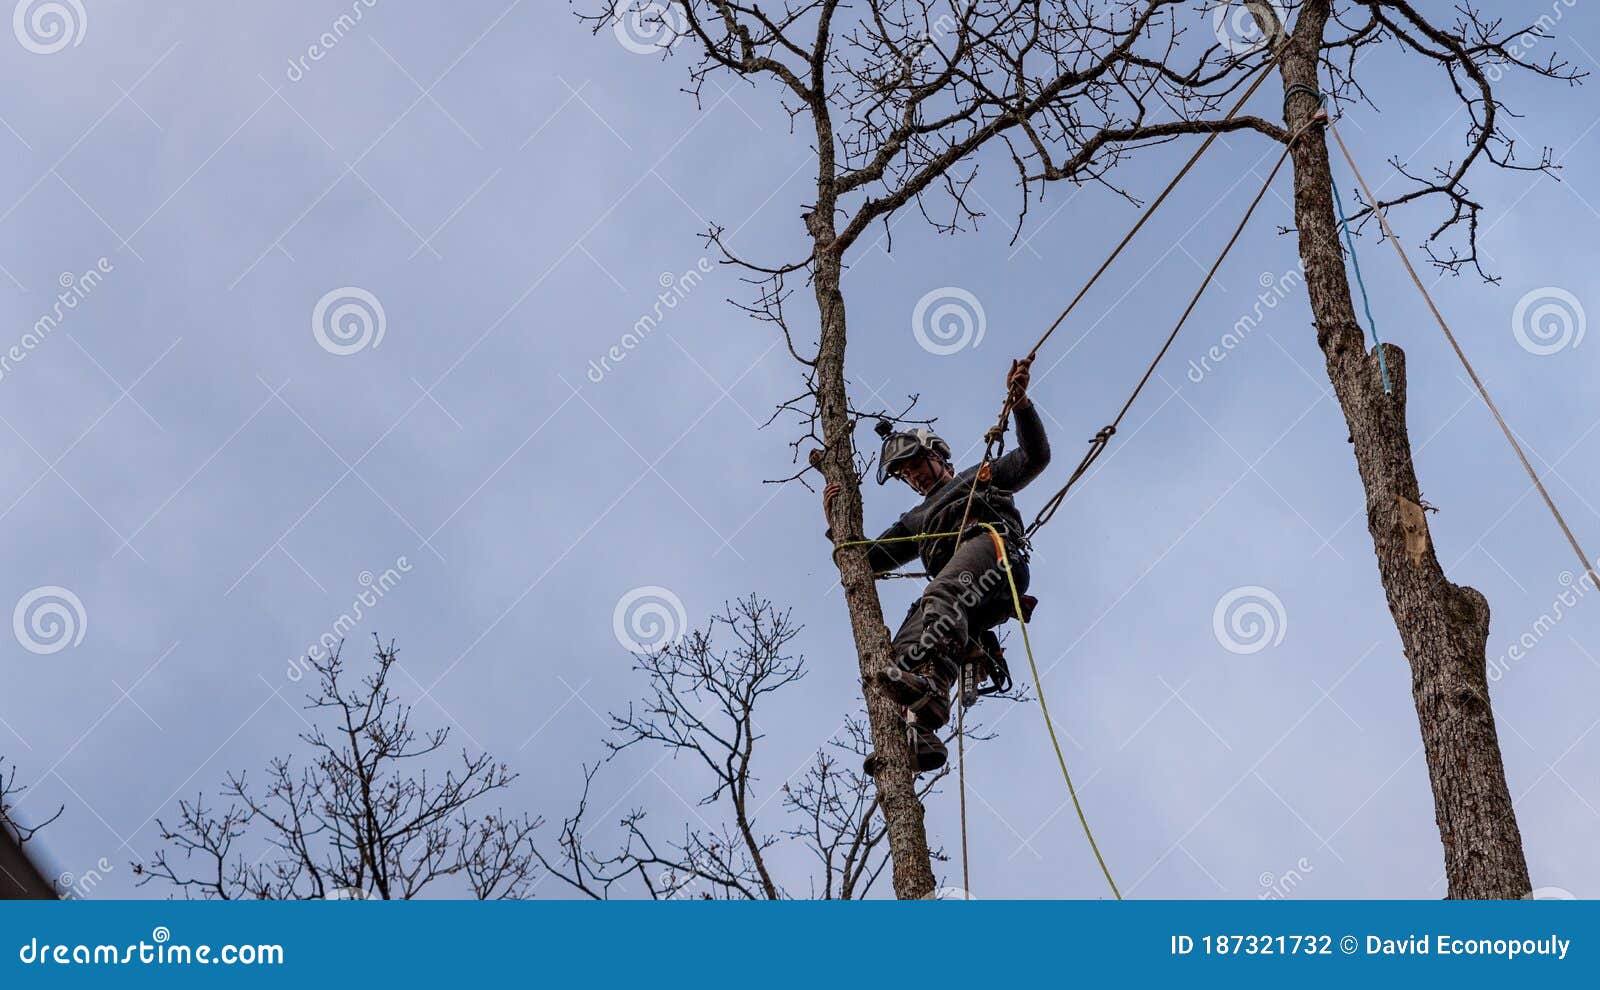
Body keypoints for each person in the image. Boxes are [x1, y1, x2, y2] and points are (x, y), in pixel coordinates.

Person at [824, 357, 1049, 774]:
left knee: (938, 595)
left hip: (994, 555)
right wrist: (835, 523)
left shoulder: (977, 475)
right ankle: (918, 735)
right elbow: (865, 561)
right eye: (905, 474)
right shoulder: (916, 520)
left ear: (939, 457)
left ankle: (930, 699)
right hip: (963, 598)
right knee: (899, 654)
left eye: (916, 465)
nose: (914, 477)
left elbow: (1036, 457)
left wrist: (1020, 404)